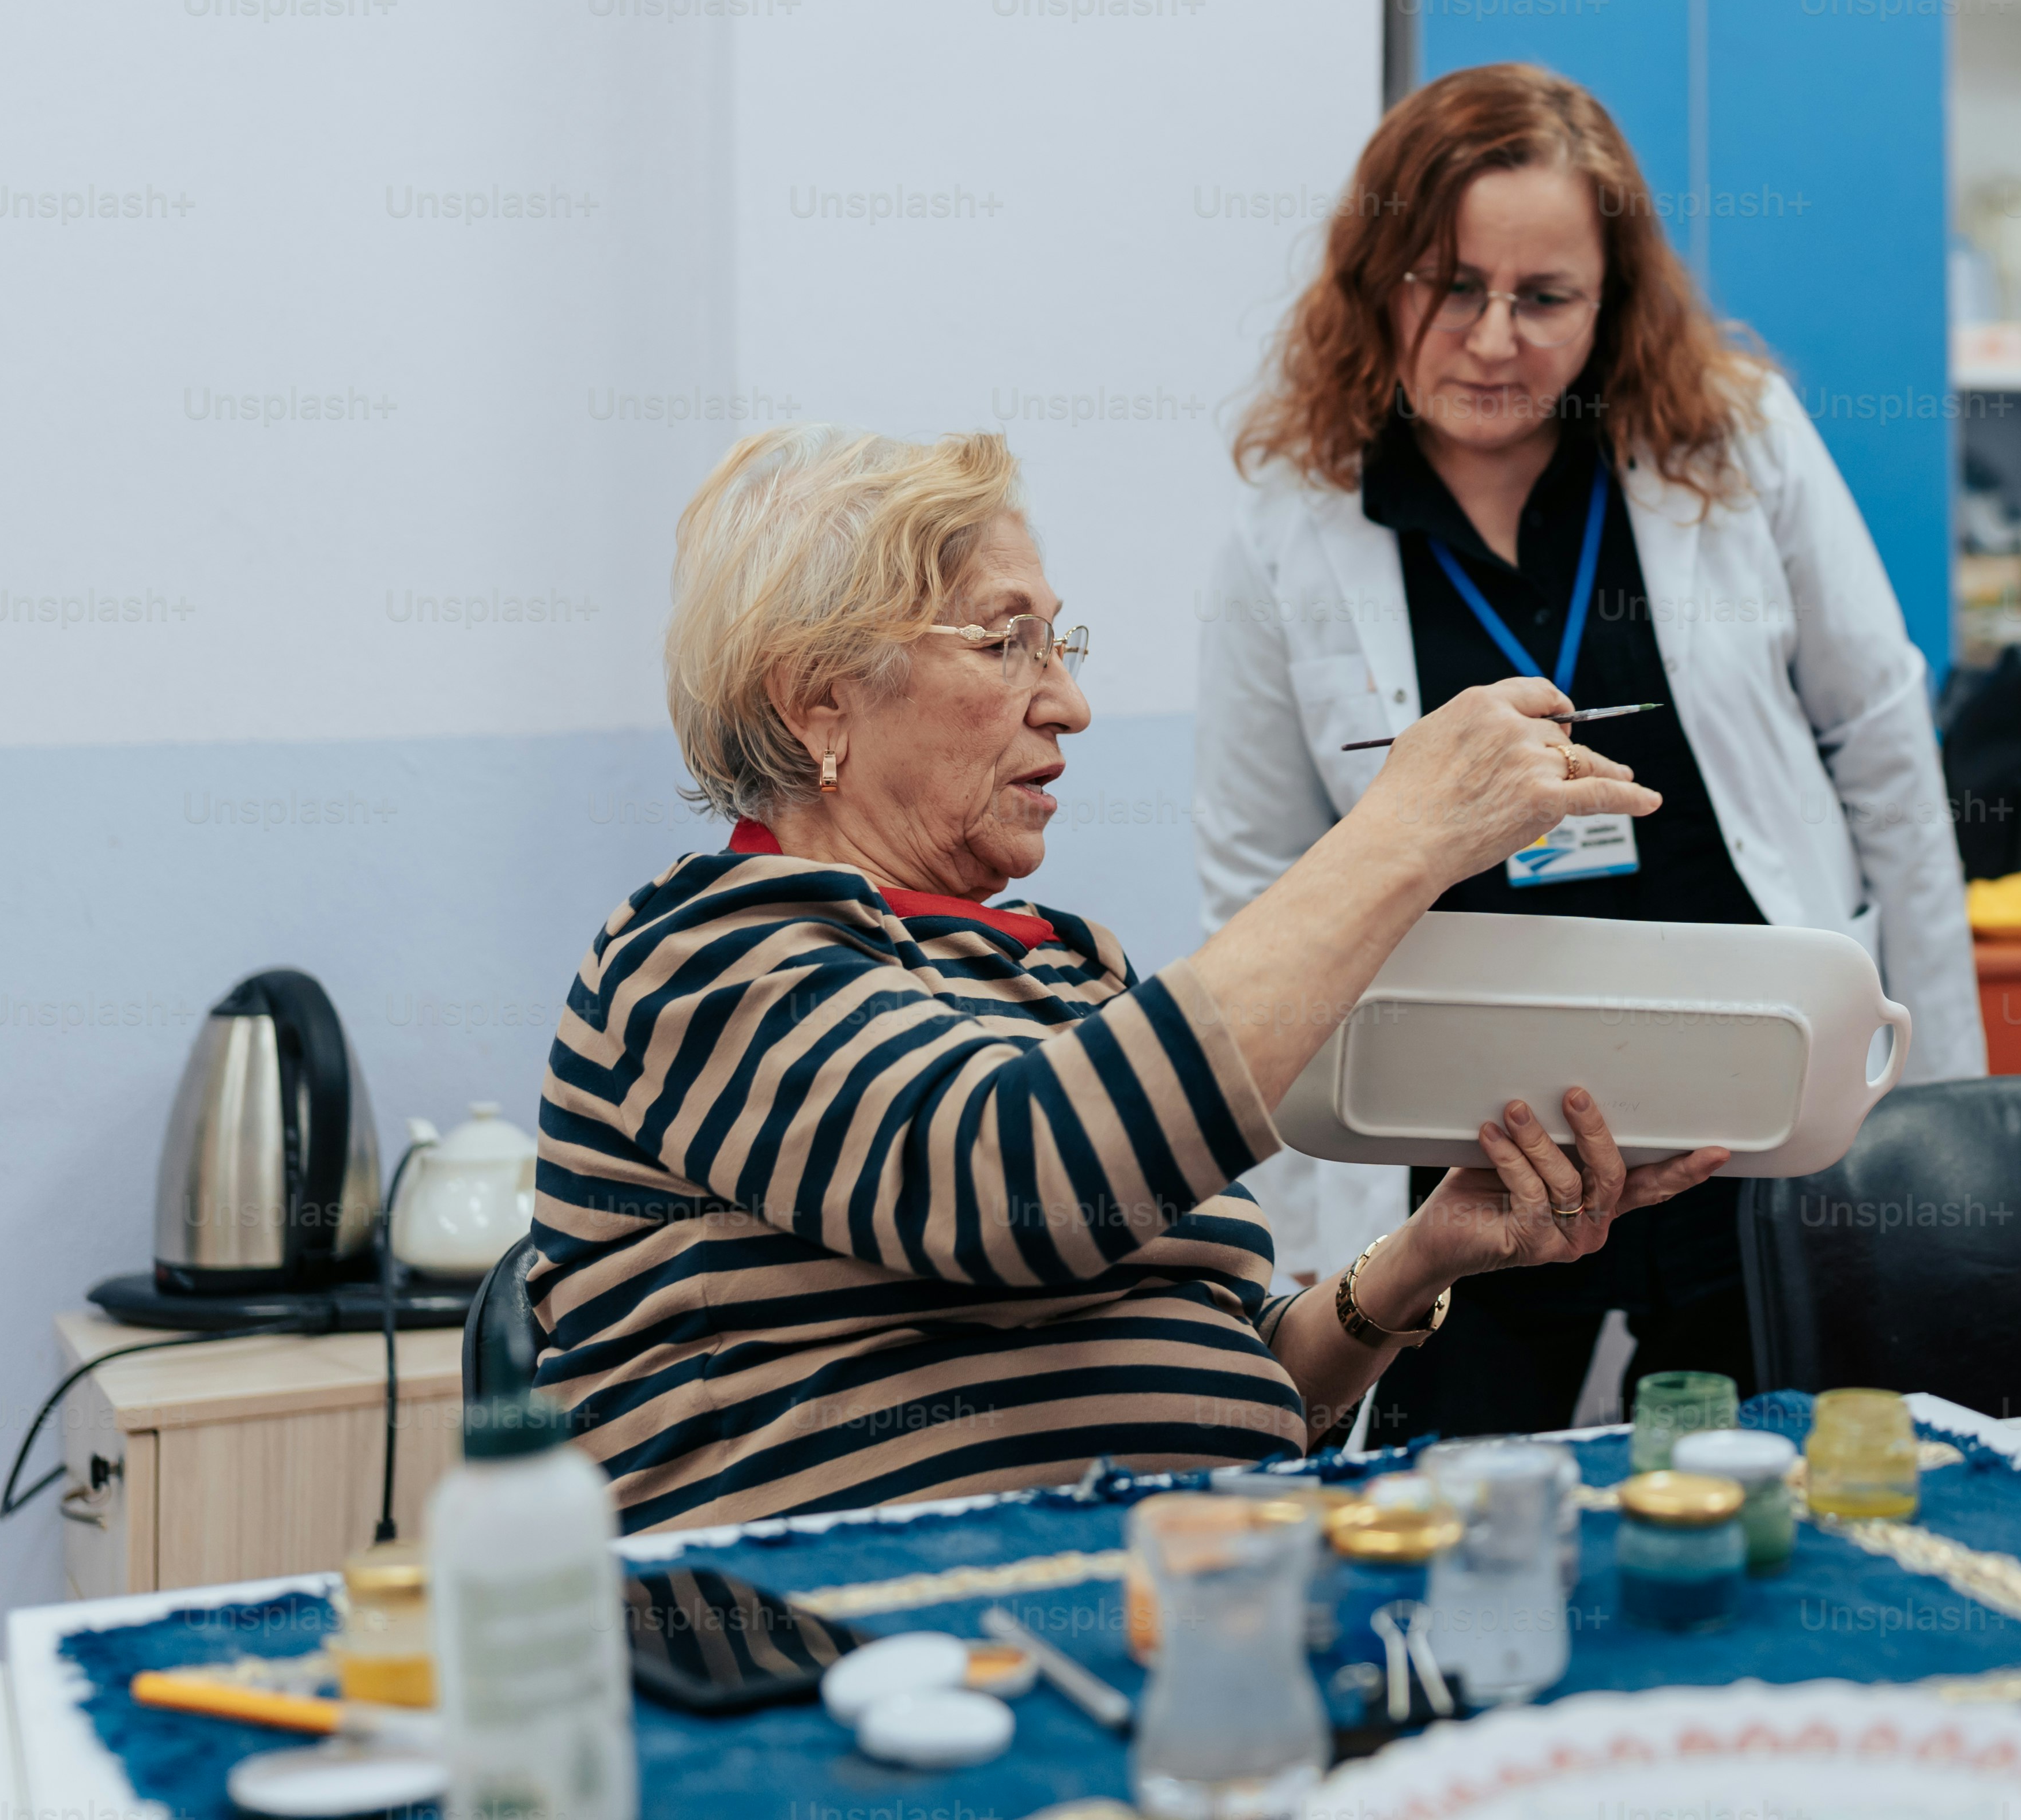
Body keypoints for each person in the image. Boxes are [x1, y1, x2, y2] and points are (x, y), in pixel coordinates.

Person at [533, 424, 1729, 1532]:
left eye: (1061, 643)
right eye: (1009, 643)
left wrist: (1423, 1256)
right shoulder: (697, 954)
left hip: (1186, 1595)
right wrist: (1406, 831)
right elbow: (1020, 1185)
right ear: (819, 702)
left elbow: (1222, 1372)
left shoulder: (1069, 968)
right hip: (860, 1663)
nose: (1072, 702)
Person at [1201, 62, 1981, 1442]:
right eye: (1448, 283)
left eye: (1545, 296)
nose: (1492, 337)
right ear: (1375, 277)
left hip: (1747, 1106)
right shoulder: (1291, 527)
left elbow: (1881, 744)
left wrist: (1937, 1106)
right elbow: (1261, 886)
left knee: (1776, 1490)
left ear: (1612, 301)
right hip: (1464, 1146)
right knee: (1449, 1520)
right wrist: (1318, 1233)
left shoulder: (1730, 444)